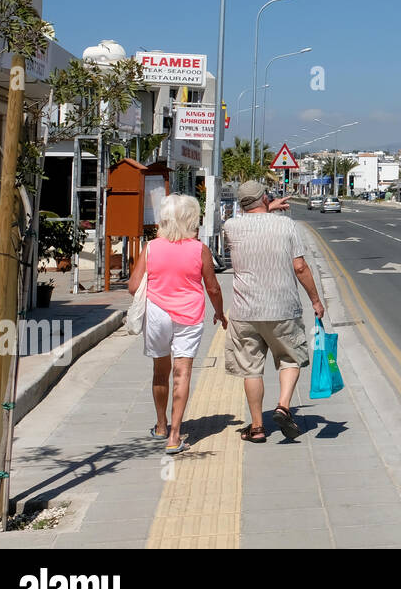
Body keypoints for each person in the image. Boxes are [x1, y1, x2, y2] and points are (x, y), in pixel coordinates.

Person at [222, 180, 326, 443]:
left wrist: (266, 209)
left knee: (251, 369)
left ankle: (257, 428)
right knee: (290, 359)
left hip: (245, 311)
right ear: (265, 198)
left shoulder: (230, 227)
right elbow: (300, 267)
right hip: (283, 308)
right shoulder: (286, 225)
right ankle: (283, 406)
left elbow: (252, 223)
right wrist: (315, 300)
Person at [128, 194, 226, 455]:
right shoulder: (199, 249)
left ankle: (161, 425)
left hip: (157, 314)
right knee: (182, 373)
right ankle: (174, 436)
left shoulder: (151, 247)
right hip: (190, 316)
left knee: (160, 371)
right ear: (192, 220)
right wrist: (220, 313)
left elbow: (133, 286)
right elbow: (213, 288)